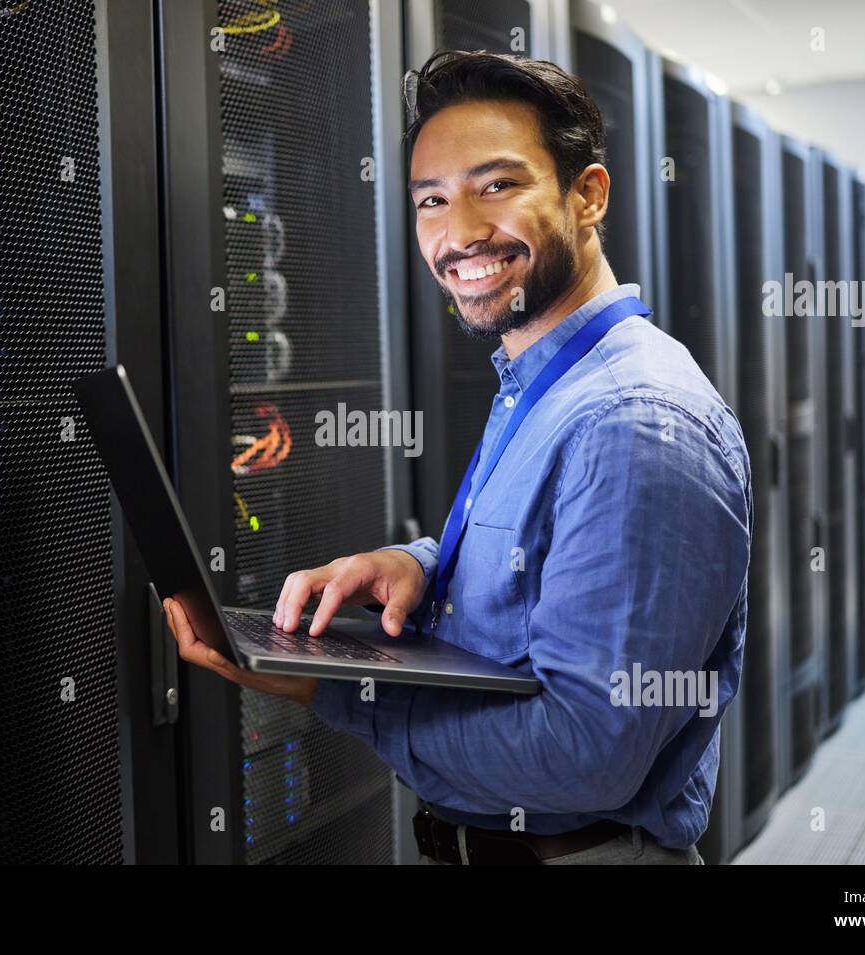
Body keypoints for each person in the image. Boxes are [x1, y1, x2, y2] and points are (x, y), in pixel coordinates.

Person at [162, 50, 751, 865]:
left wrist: (337, 687)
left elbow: (588, 754)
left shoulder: (634, 423)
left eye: (497, 186)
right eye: (431, 200)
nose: (460, 231)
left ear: (589, 195)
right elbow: (553, 562)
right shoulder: (544, 383)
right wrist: (417, 564)